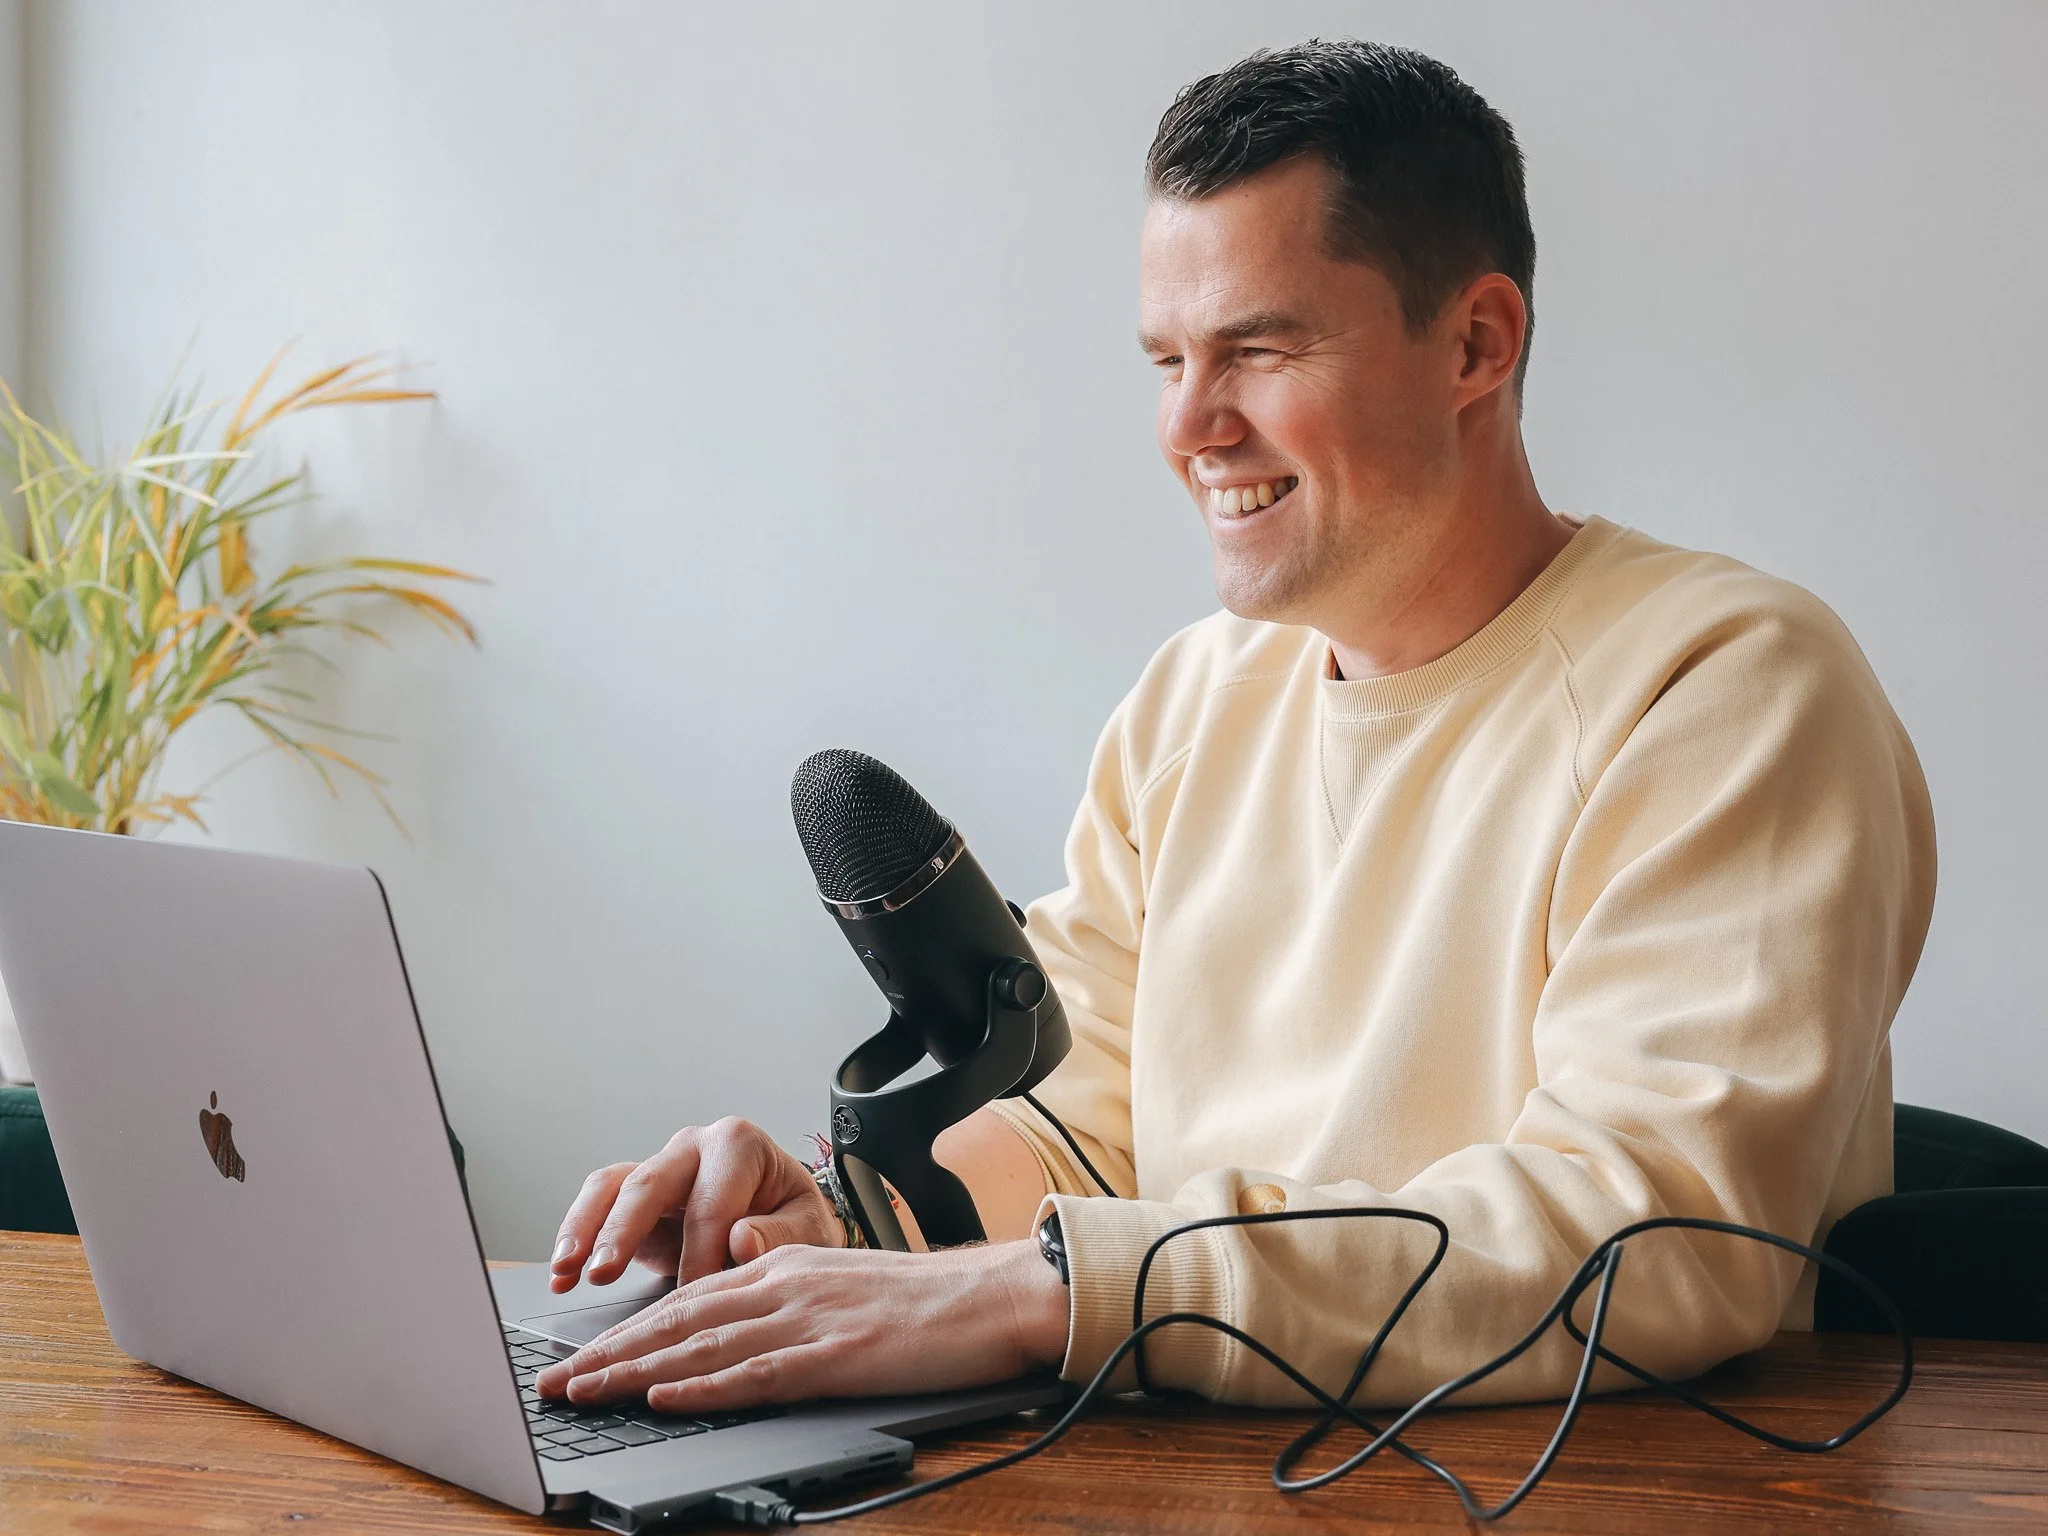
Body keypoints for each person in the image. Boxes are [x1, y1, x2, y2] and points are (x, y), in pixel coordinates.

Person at [536, 39, 1934, 1418]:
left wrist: (1043, 1296)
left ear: (1475, 342)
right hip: (1199, 1477)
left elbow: (1651, 1235)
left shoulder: (1725, 683)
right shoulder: (1194, 700)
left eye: (1258, 349)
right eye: (1166, 359)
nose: (1192, 425)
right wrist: (849, 1227)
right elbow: (1084, 1125)